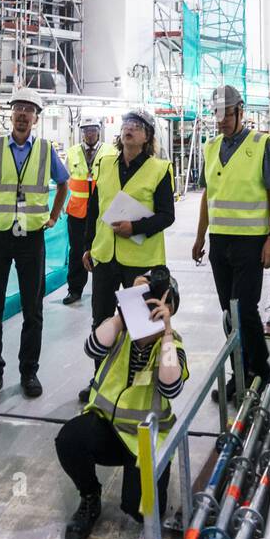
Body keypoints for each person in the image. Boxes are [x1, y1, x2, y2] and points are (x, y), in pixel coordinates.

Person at [55, 269, 188, 539]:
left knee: (142, 512)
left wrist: (164, 332)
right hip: (108, 429)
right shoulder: (120, 333)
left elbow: (170, 387)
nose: (146, 310)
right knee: (69, 439)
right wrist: (122, 314)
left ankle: (154, 476)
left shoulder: (172, 344)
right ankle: (90, 497)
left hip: (144, 443)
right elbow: (91, 348)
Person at [0, 88, 69, 403]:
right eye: (18, 109)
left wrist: (54, 216)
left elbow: (64, 183)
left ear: (36, 118)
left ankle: (29, 371)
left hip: (31, 238)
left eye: (29, 109)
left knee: (33, 309)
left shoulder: (45, 150)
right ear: (10, 115)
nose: (23, 114)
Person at [191, 84, 270, 401]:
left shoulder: (261, 145)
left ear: (240, 112)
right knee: (229, 315)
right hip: (220, 244)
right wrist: (200, 236)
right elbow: (208, 195)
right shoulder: (211, 147)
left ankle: (261, 376)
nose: (221, 120)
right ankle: (241, 375)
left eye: (227, 114)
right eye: (217, 114)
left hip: (251, 244)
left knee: (244, 311)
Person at [78, 107, 175, 401]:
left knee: (140, 326)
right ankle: (101, 381)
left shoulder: (159, 170)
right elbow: (95, 208)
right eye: (126, 124)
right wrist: (87, 246)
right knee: (102, 320)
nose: (129, 128)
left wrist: (135, 226)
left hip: (141, 262)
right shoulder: (106, 164)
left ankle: (136, 387)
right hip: (106, 257)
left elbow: (166, 216)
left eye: (136, 125)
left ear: (147, 137)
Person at [62, 117, 115, 306]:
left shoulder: (111, 152)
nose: (89, 133)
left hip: (101, 211)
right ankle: (74, 290)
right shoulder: (73, 153)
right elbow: (64, 180)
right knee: (77, 252)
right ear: (82, 132)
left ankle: (104, 290)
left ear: (98, 131)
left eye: (93, 130)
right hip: (77, 212)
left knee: (103, 251)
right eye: (86, 130)